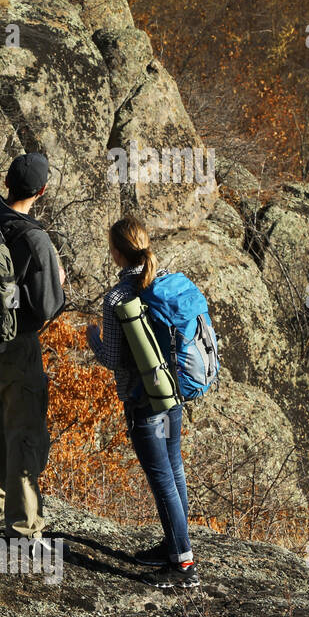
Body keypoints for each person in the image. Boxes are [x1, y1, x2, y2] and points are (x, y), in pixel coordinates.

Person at [86, 216, 199, 588]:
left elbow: (113, 358)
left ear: (117, 253)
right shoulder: (165, 281)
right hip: (172, 393)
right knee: (174, 469)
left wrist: (92, 337)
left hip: (142, 402)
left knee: (161, 477)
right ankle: (174, 545)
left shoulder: (118, 297)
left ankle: (182, 565)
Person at [0, 153, 67, 540]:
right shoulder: (36, 238)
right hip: (15, 347)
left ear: (7, 182)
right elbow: (46, 306)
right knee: (23, 433)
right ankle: (24, 527)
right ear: (40, 192)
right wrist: (58, 282)